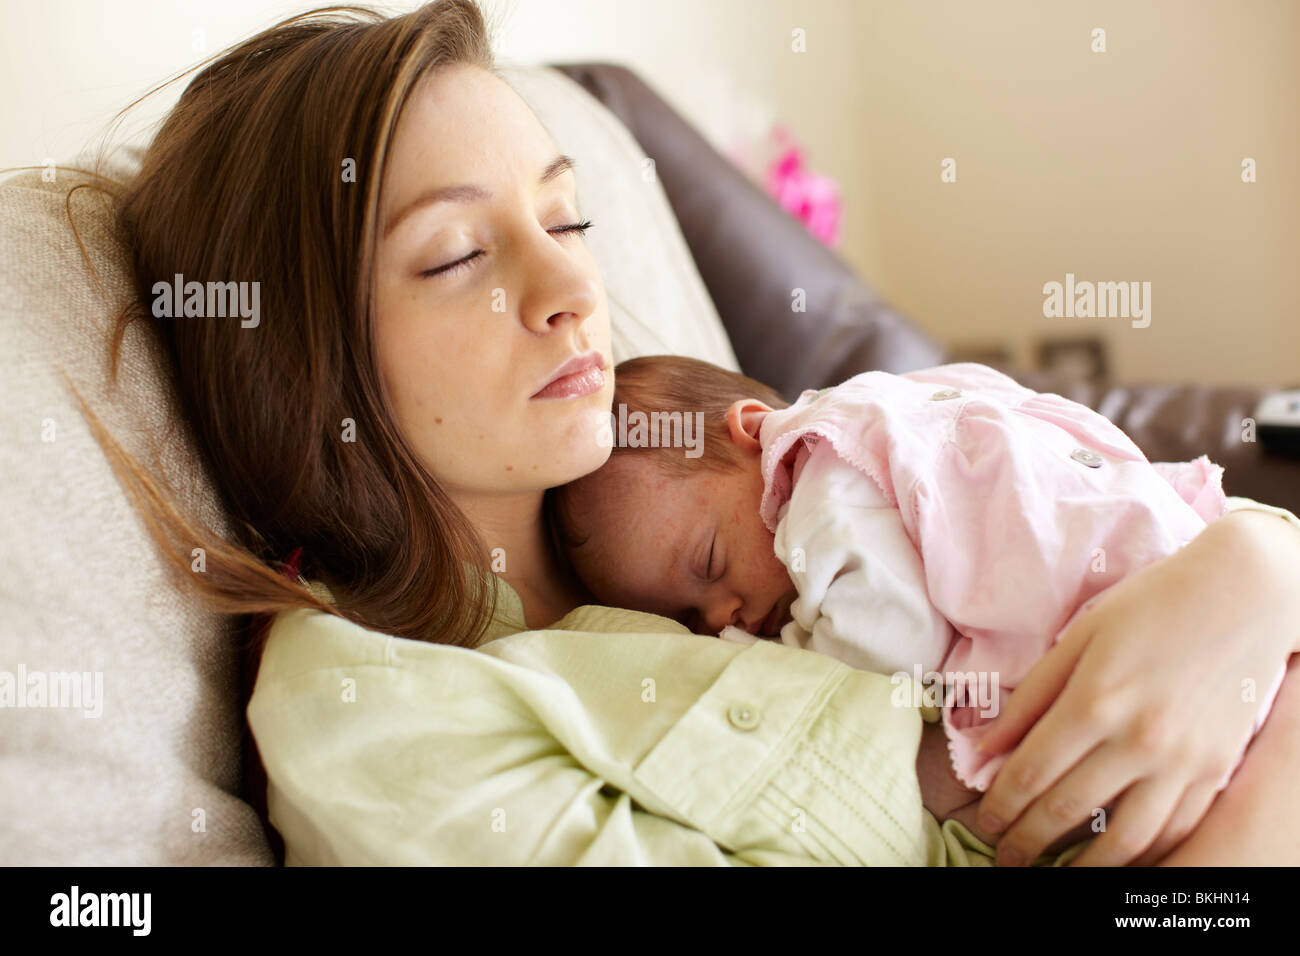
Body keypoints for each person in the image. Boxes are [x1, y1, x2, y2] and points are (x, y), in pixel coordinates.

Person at [92, 0, 1300, 865]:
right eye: (458, 252)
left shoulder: (740, 489)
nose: (570, 293)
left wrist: (1255, 565)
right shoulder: (375, 706)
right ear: (306, 364)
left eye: (567, 221)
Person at [549, 354, 1287, 803]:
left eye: (708, 565)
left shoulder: (819, 481)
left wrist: (759, 660)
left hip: (1136, 626)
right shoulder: (889, 405)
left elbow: (890, 639)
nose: (724, 616)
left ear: (750, 432)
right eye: (689, 615)